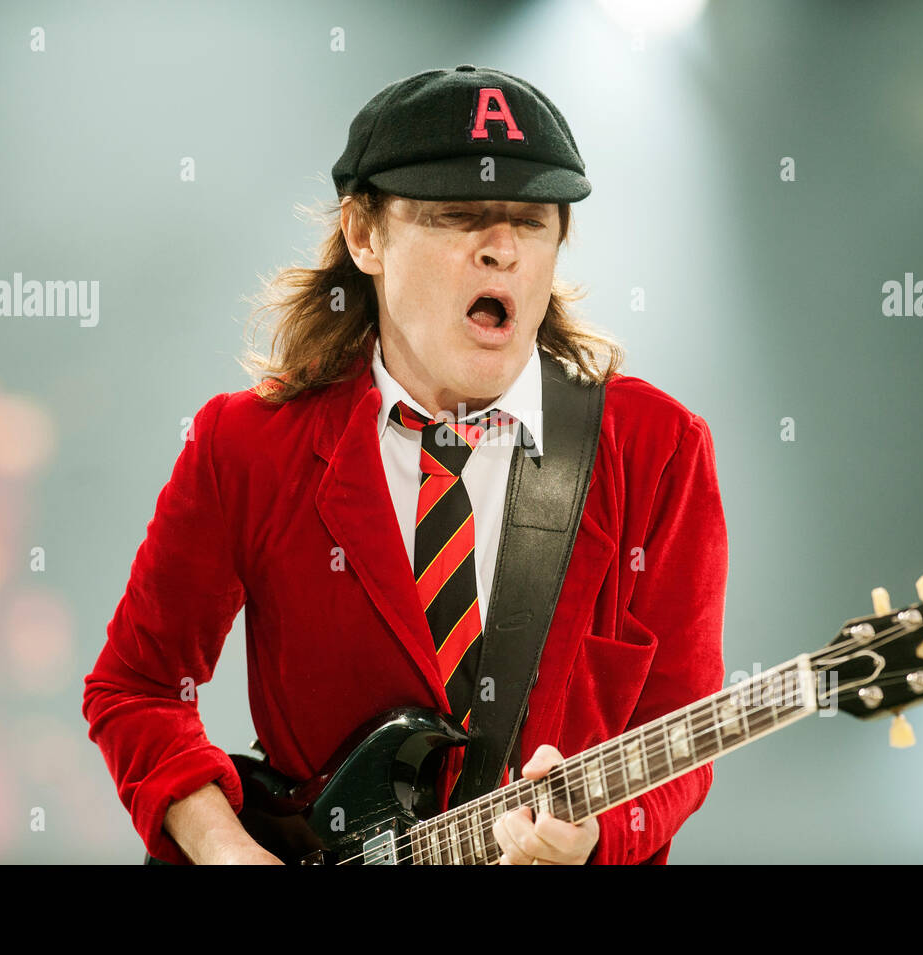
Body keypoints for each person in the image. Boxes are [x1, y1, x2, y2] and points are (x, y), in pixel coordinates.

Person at [82, 64, 728, 865]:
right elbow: (135, 688)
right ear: (364, 235)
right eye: (460, 215)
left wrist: (600, 833)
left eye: (531, 221)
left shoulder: (658, 448)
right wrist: (223, 848)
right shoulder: (245, 445)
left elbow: (684, 723)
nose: (500, 249)